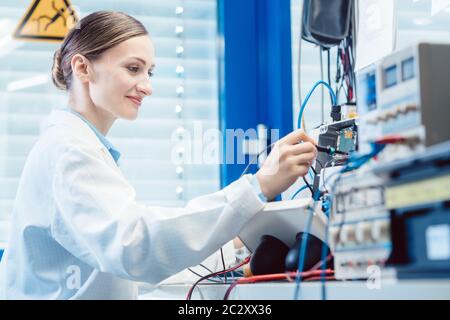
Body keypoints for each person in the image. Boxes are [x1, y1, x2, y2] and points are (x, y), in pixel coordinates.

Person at [0, 11, 317, 299]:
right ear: (82, 67)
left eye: (149, 71)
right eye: (133, 68)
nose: (147, 86)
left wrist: (231, 245)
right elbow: (136, 249)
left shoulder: (79, 146)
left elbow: (118, 267)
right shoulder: (70, 152)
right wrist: (258, 185)